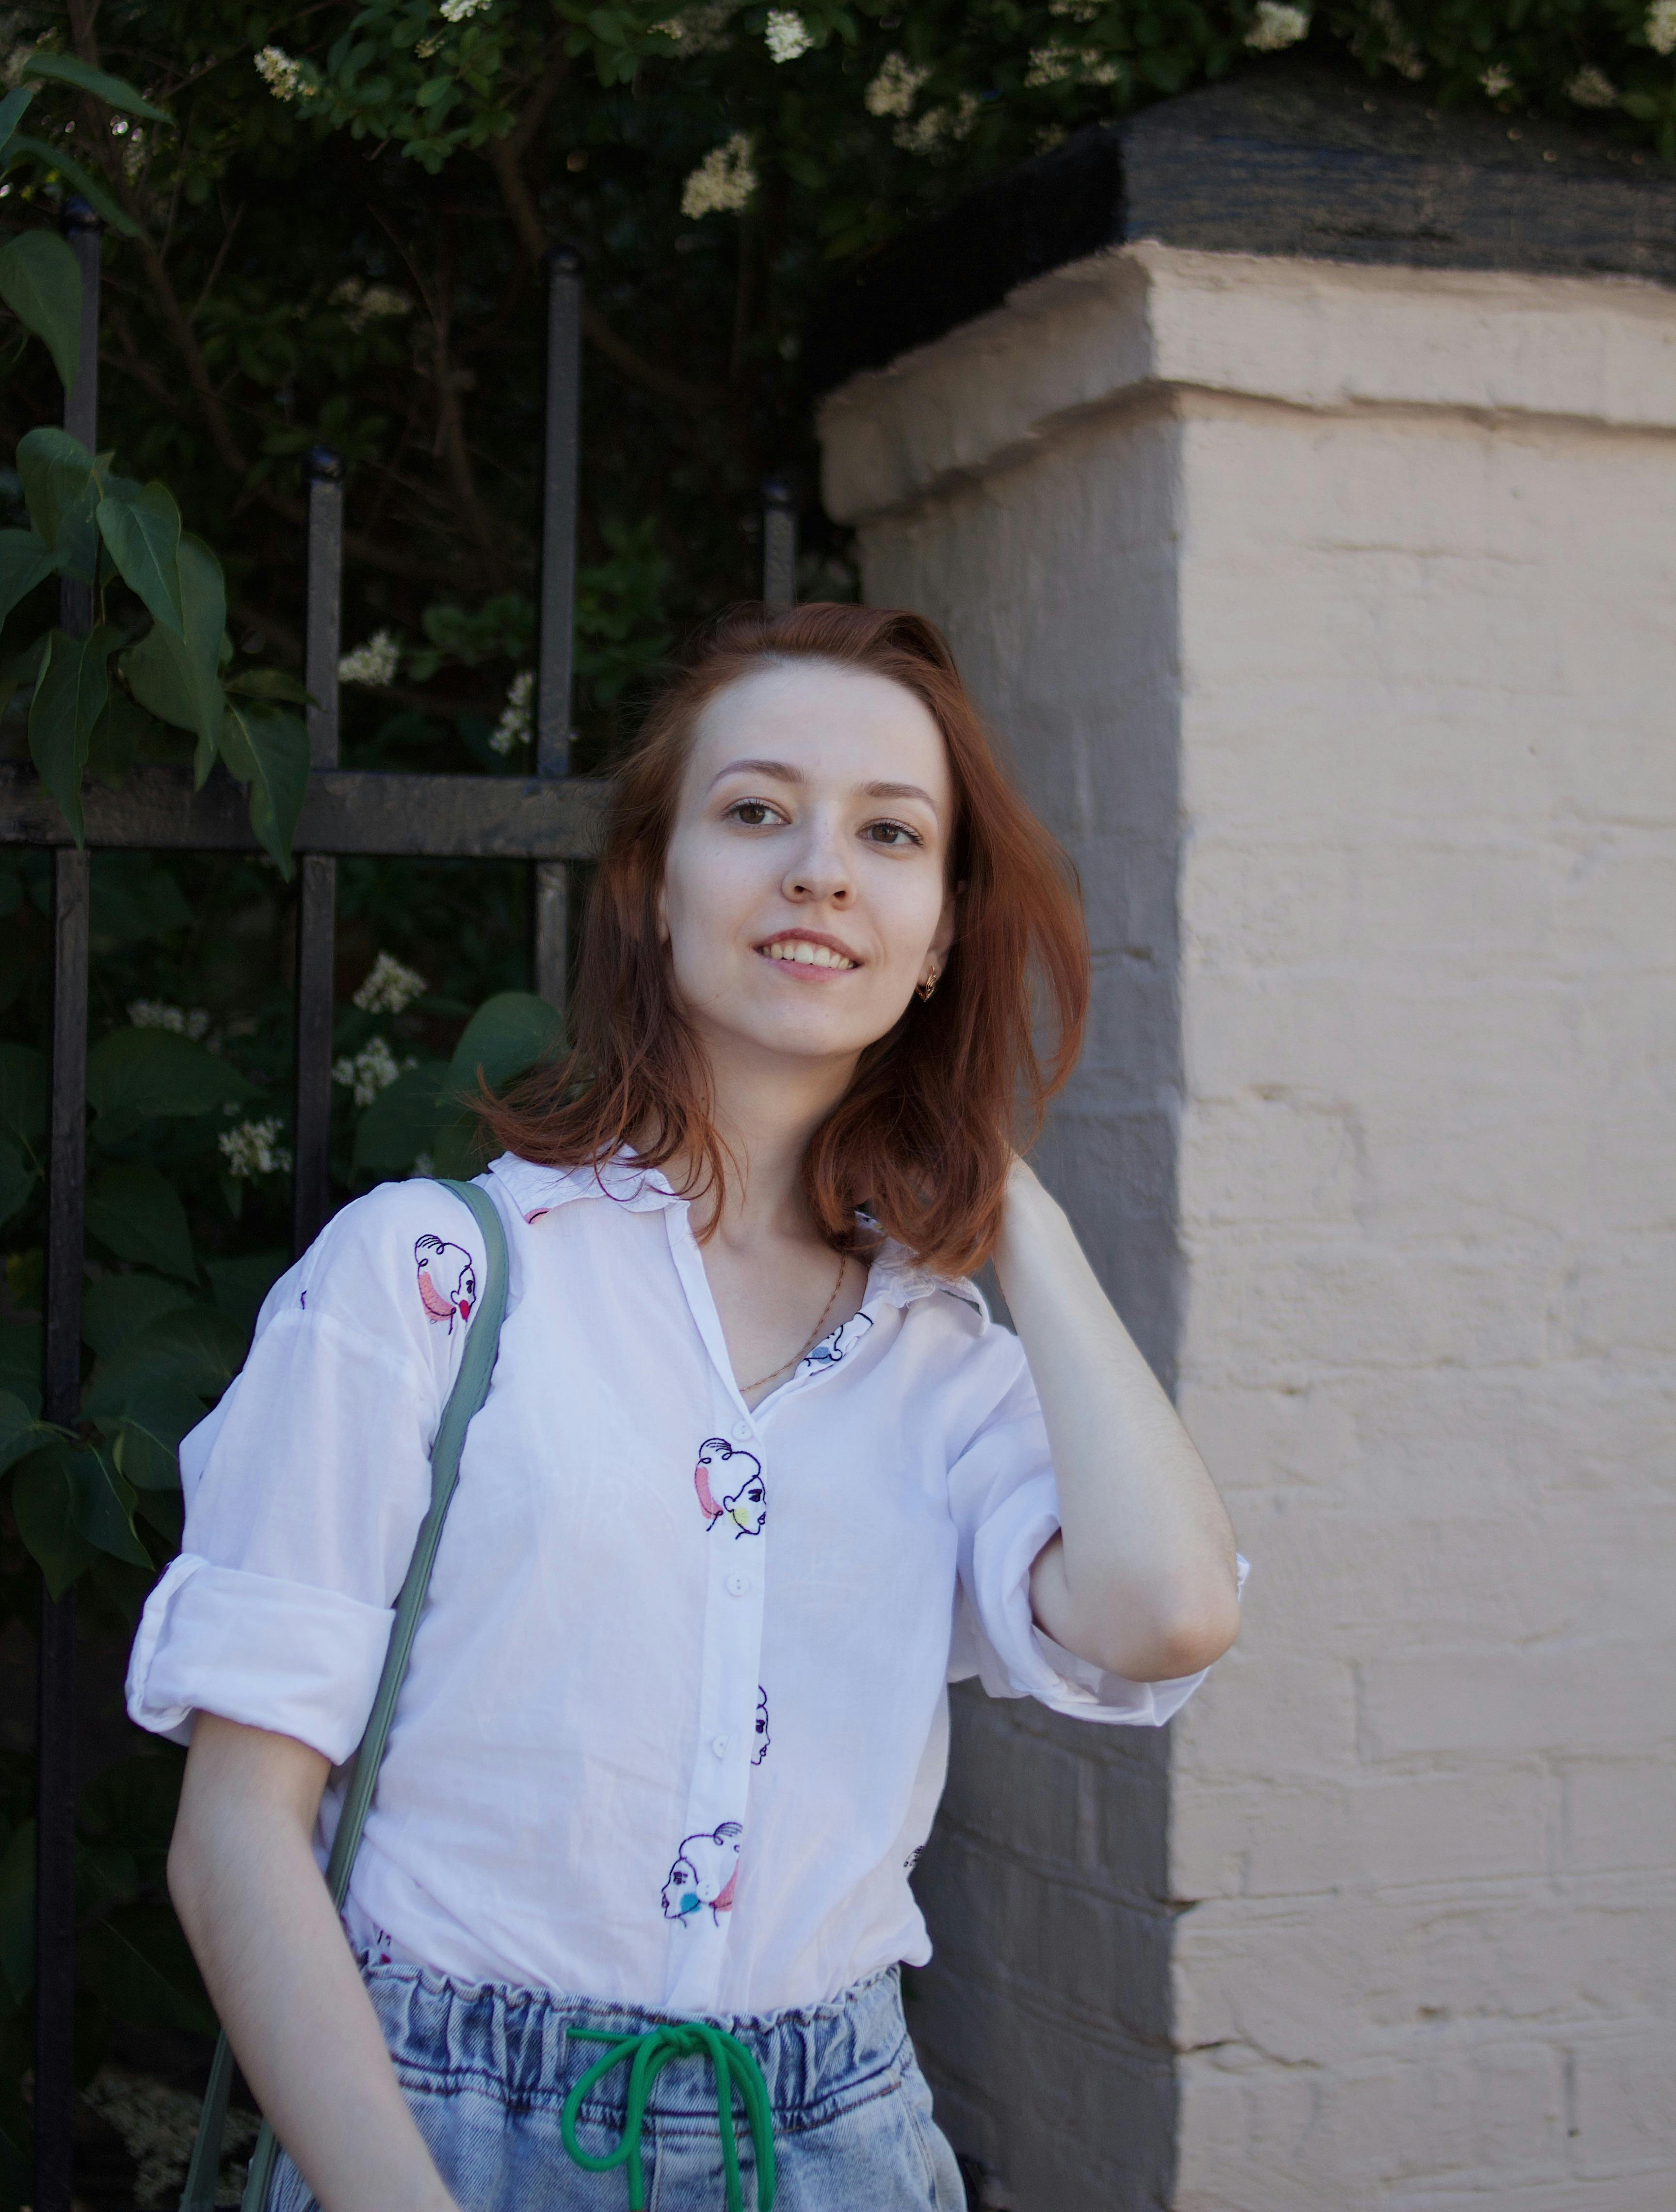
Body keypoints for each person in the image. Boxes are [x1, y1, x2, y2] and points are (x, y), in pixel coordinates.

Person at [129, 603, 1244, 2212]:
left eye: (890, 834)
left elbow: (1170, 1612)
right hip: (442, 2137)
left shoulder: (950, 1367)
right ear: (652, 891)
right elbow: (235, 1833)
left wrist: (1016, 1210)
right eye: (754, 813)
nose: (820, 870)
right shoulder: (431, 1282)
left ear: (937, 937)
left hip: (844, 2141)